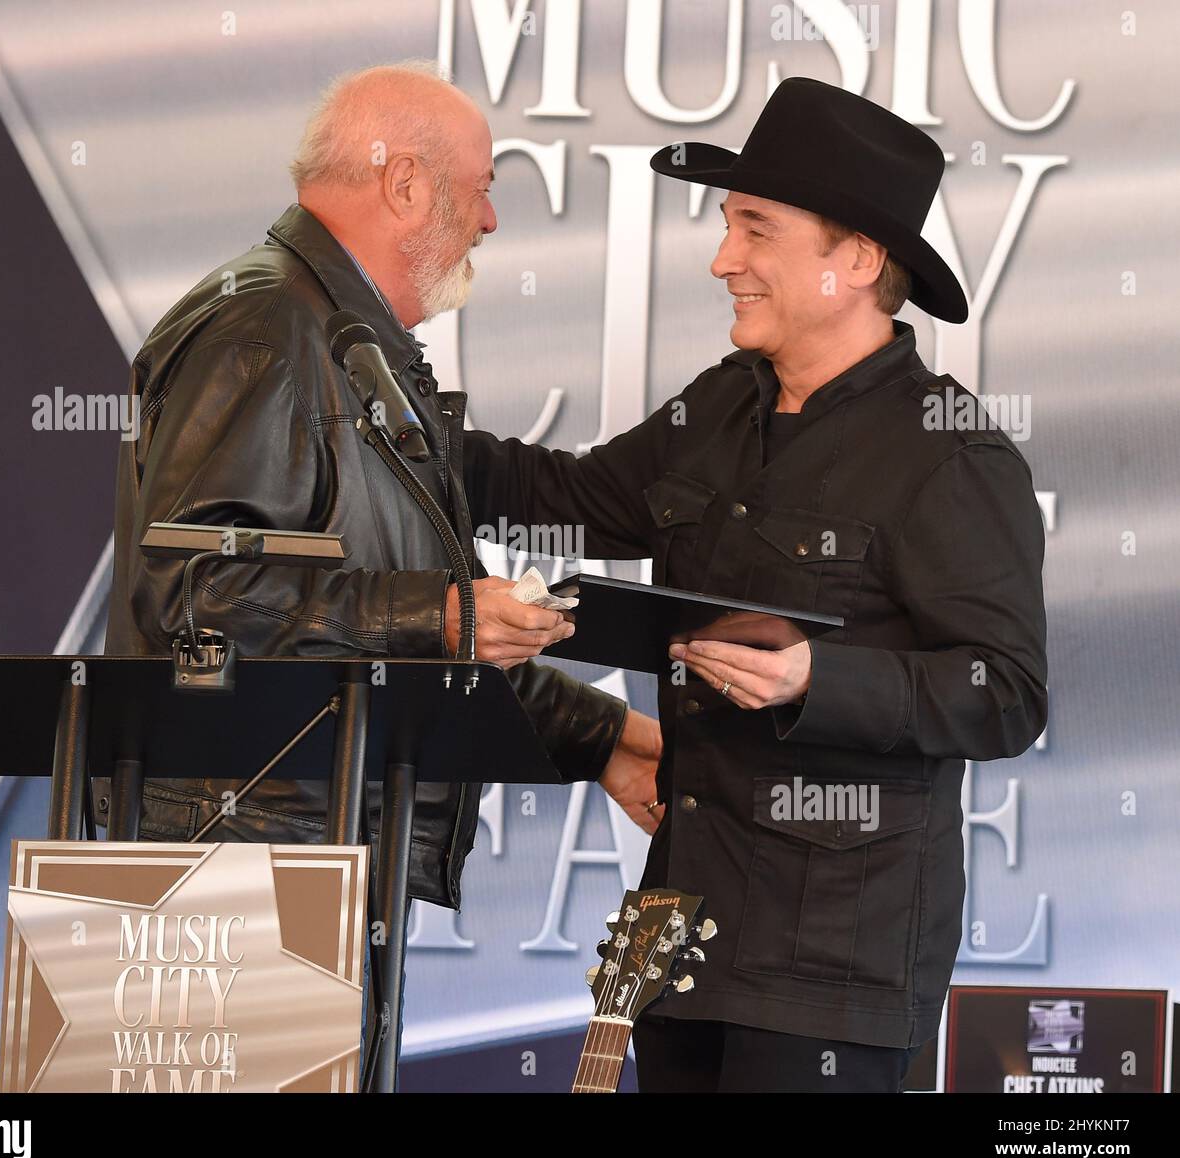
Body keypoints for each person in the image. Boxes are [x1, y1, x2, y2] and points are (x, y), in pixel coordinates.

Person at [462, 77, 1048, 1092]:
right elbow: (561, 490)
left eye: (754, 229)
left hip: (835, 975)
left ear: (856, 260)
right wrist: (382, 424)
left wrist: (818, 677)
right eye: (728, 226)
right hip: (681, 949)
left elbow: (1006, 692)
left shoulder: (948, 456)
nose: (721, 258)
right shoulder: (723, 403)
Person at [102, 60, 664, 918]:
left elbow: (383, 641)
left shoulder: (336, 345)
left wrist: (610, 735)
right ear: (404, 182)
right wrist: (442, 612)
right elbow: (197, 595)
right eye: (478, 190)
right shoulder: (265, 329)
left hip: (288, 859)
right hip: (229, 887)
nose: (488, 219)